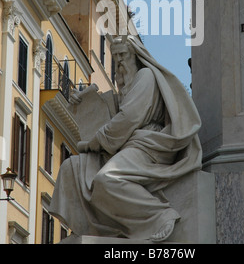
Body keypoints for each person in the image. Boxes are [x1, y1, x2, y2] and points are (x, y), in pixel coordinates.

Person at [49, 35, 202, 242]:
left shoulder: (145, 76)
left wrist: (96, 141)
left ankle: (160, 215)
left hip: (149, 145)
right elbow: (112, 114)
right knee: (72, 167)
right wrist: (82, 102)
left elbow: (128, 119)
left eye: (123, 55)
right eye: (115, 57)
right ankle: (86, 228)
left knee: (108, 179)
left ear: (136, 55)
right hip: (125, 145)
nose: (119, 61)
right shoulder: (126, 89)